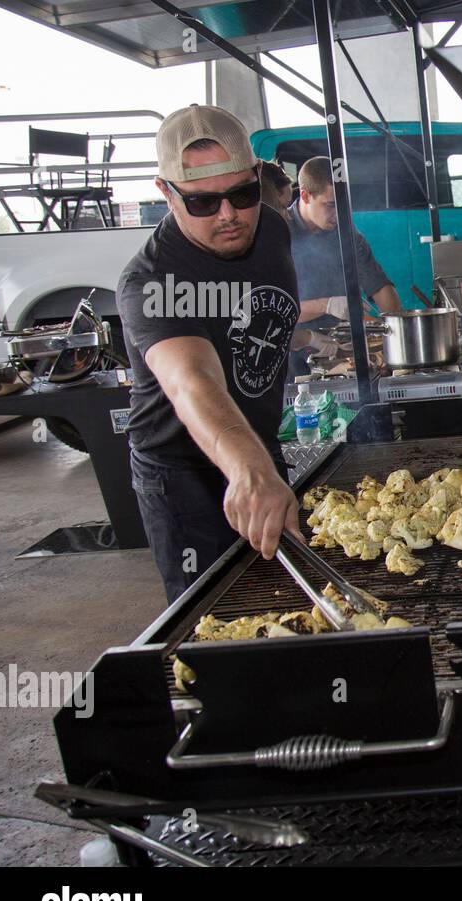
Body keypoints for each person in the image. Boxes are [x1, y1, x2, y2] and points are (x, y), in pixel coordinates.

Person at [116, 105, 319, 602]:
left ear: (257, 178)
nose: (228, 215)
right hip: (186, 479)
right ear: (165, 192)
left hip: (258, 450)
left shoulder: (270, 229)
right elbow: (193, 382)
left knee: (289, 604)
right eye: (203, 203)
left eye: (241, 194)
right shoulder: (152, 281)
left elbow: (256, 319)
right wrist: (249, 469)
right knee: (217, 628)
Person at [286, 156, 401, 377]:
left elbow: (379, 287)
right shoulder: (279, 232)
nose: (338, 215)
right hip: (294, 355)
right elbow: (269, 308)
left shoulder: (347, 234)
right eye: (329, 205)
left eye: (343, 206)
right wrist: (326, 305)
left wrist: (399, 336)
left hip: (344, 352)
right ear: (305, 195)